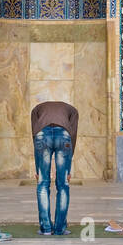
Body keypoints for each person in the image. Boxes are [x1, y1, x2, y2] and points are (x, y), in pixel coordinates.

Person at [31, 100, 78, 236]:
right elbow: (73, 135)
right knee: (63, 185)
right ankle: (59, 229)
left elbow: (34, 134)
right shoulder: (72, 110)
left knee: (42, 184)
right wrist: (68, 169)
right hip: (64, 136)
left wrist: (37, 169)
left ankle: (45, 229)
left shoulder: (36, 109)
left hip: (42, 136)